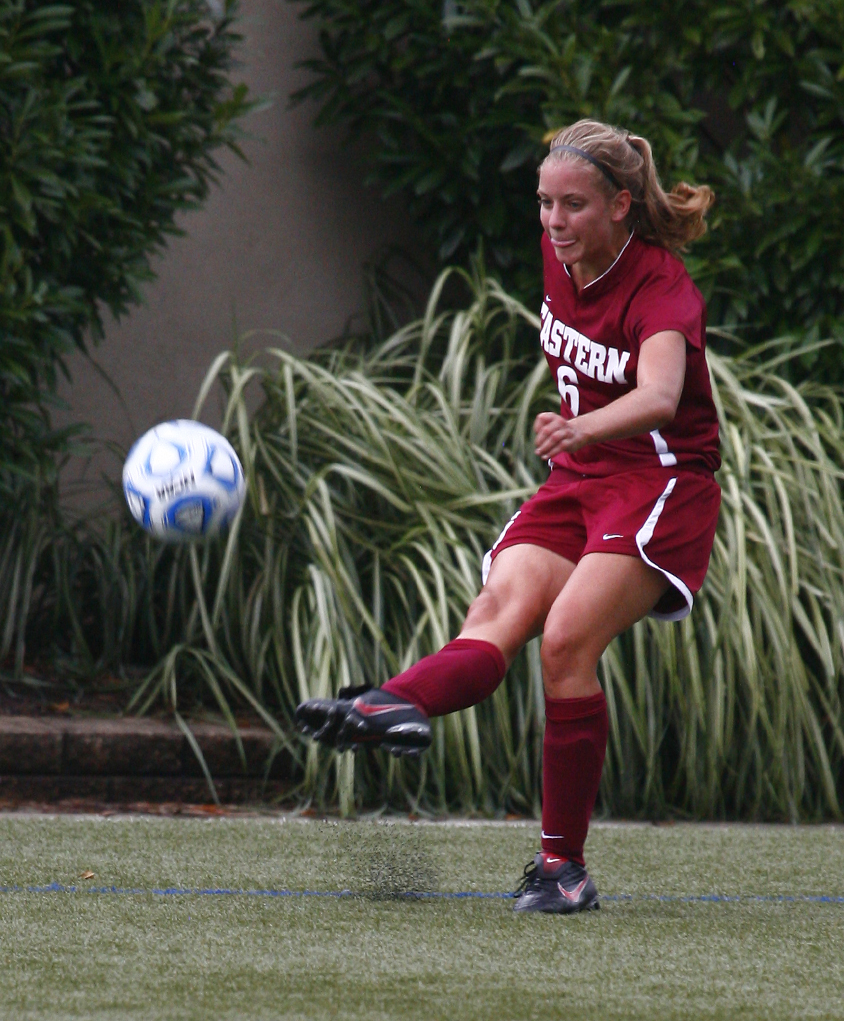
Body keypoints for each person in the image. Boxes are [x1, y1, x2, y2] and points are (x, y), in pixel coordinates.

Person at [296, 119, 719, 914]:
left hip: (659, 483)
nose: (554, 223)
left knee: (565, 643)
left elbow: (662, 396)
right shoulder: (560, 258)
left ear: (622, 205)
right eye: (544, 204)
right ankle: (394, 703)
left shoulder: (662, 287)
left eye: (574, 206)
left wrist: (580, 427)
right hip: (580, 477)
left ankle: (564, 869)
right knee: (498, 608)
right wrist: (578, 442)